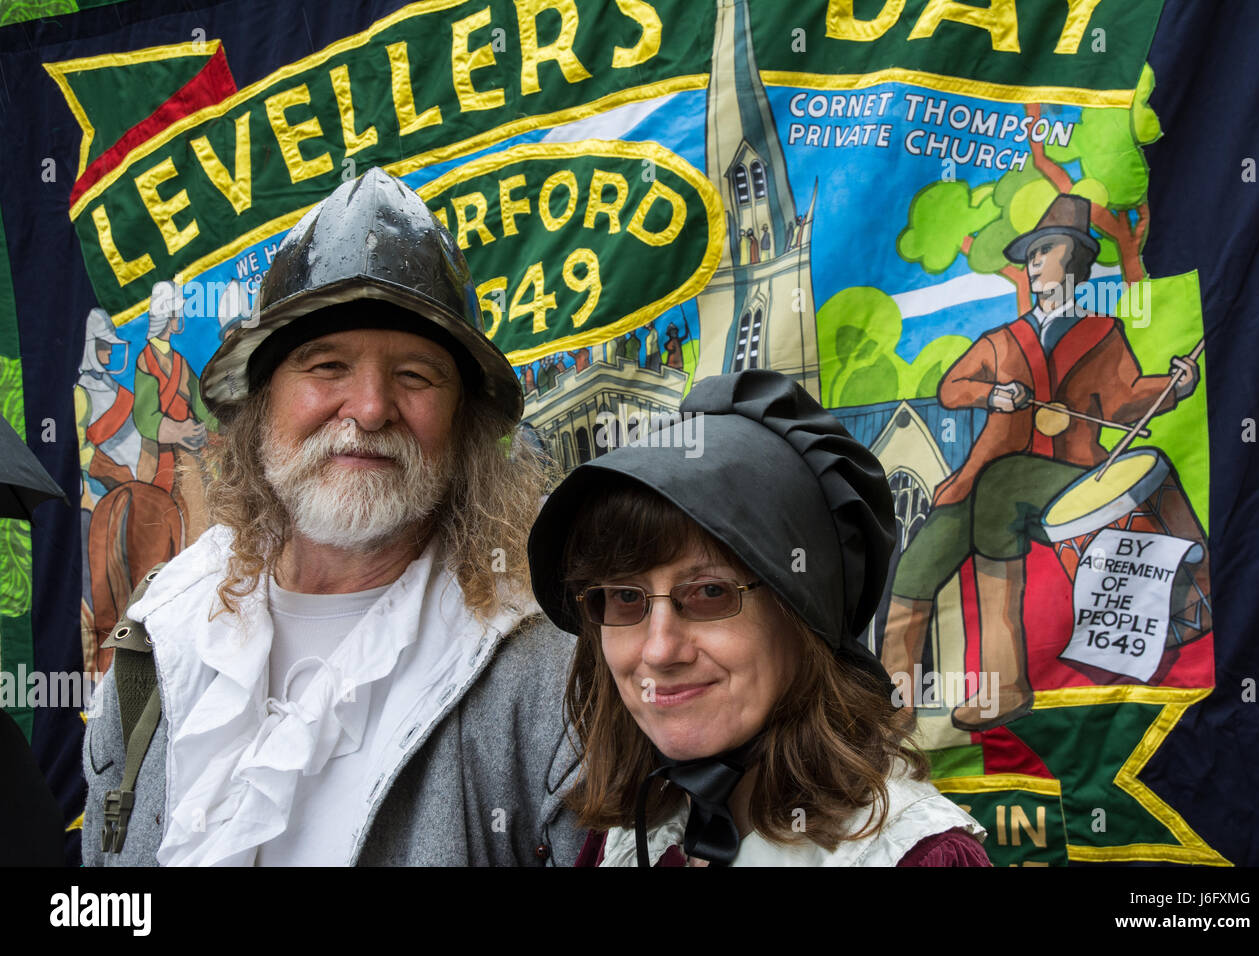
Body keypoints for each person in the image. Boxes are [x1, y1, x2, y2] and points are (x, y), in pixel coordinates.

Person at [82, 167, 581, 866]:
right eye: (326, 367)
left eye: (415, 375)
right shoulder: (158, 641)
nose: (371, 408)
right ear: (261, 408)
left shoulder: (549, 678)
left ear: (464, 423)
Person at [528, 369, 989, 866]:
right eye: (625, 596)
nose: (659, 651)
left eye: (709, 592)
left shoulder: (918, 857)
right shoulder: (627, 833)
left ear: (803, 611)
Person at [881, 195, 1200, 730]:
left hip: (1070, 479)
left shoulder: (1103, 335)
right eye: (1029, 254)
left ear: (1072, 259)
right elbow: (952, 387)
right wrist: (992, 395)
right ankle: (894, 705)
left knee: (1004, 483)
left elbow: (1125, 401)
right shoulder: (1003, 338)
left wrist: (1174, 388)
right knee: (916, 561)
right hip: (988, 486)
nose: (1033, 262)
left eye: (1044, 250)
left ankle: (1003, 686)